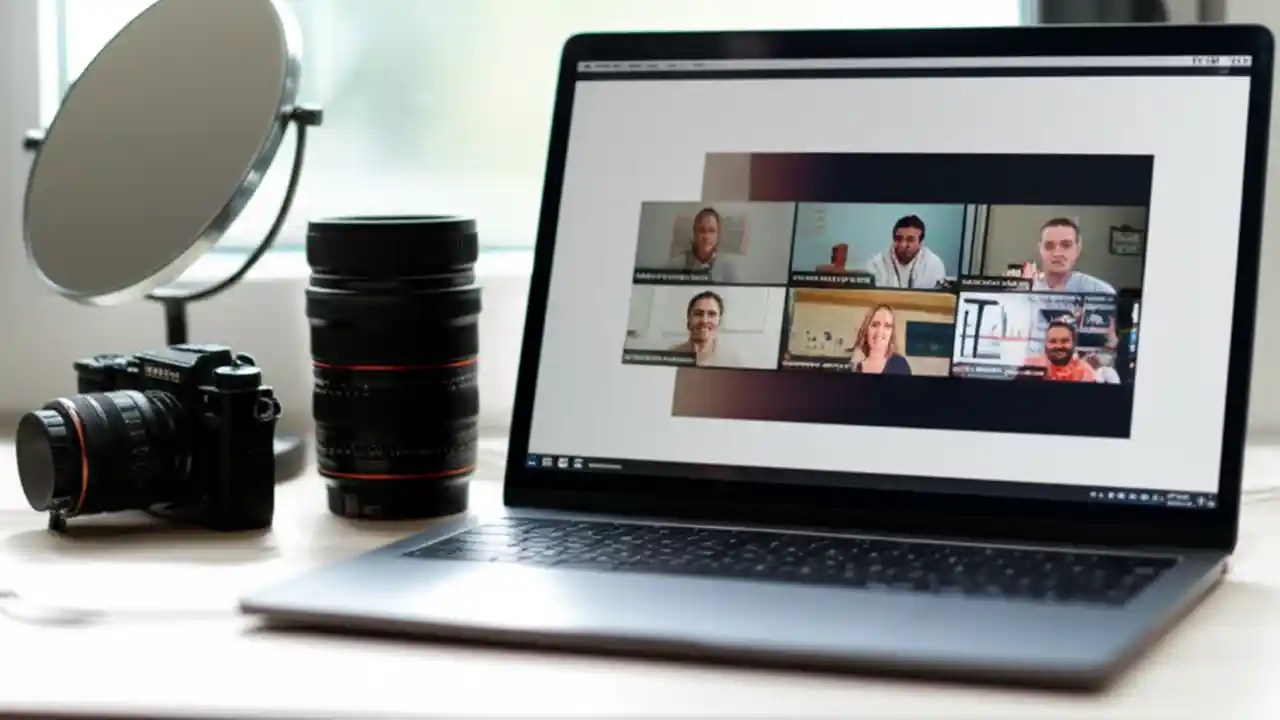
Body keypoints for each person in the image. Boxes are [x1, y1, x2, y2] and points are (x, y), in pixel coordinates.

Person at [1025, 217, 1116, 294]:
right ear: (1040, 249)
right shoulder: (1025, 290)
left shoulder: (1101, 292)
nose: (1057, 253)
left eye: (1066, 245)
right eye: (1049, 246)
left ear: (1077, 250)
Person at [865, 215, 947, 290]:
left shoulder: (934, 265)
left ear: (921, 242)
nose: (903, 244)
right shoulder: (877, 262)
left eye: (910, 239)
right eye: (898, 238)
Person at [668, 290, 742, 367]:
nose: (704, 320)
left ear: (720, 321)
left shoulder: (733, 362)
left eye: (712, 314)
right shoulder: (671, 355)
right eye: (698, 314)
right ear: (689, 318)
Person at [667, 207, 740, 282]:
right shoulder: (676, 265)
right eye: (702, 230)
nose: (706, 236)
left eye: (711, 231)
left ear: (718, 235)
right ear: (694, 232)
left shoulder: (728, 269)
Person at [849, 304, 912, 375]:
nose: (880, 332)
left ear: (892, 333)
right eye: (875, 325)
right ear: (866, 329)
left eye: (887, 326)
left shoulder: (900, 365)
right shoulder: (854, 366)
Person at [1024, 321, 1096, 382]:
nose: (1059, 346)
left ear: (1074, 344)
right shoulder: (1031, 366)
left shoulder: (1084, 371)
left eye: (1064, 341)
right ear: (1045, 344)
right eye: (1053, 341)